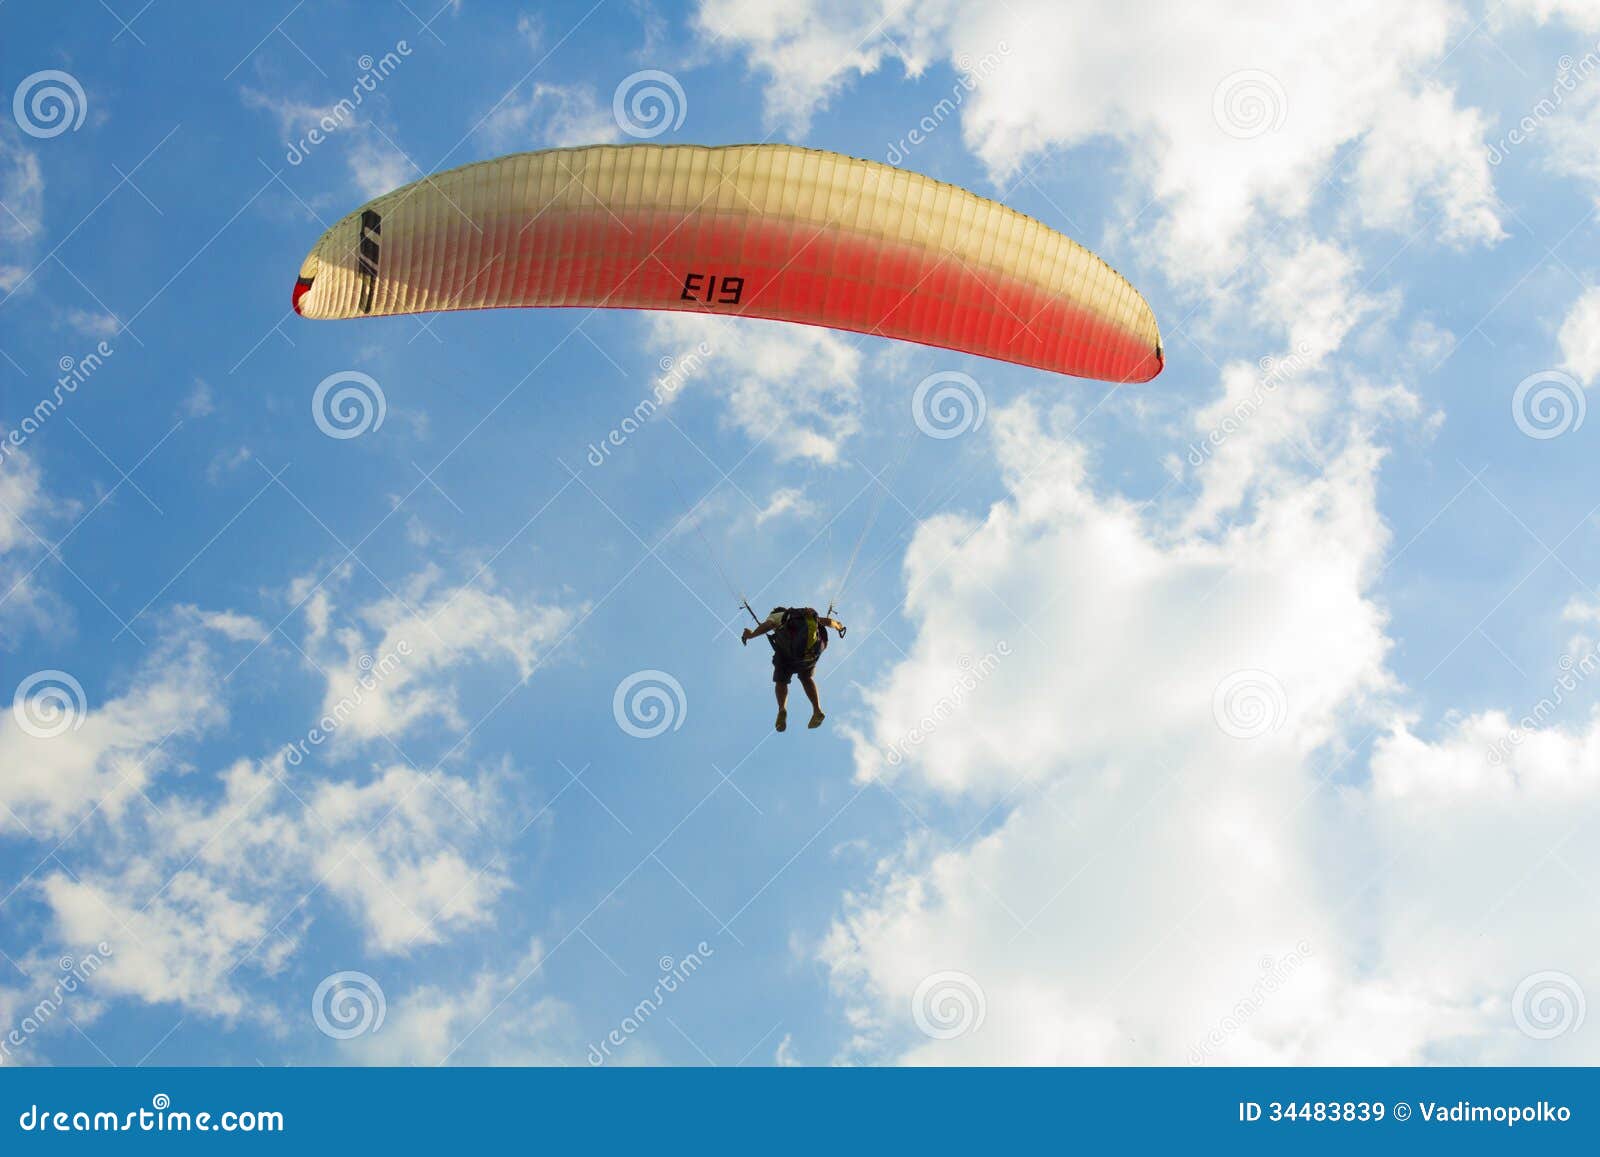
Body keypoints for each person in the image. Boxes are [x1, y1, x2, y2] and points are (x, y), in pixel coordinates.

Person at [741, 606, 846, 731]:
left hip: (788, 654)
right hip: (810, 654)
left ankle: (782, 708)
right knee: (806, 678)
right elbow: (828, 622)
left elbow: (768, 626)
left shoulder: (777, 615)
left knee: (781, 680)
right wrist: (839, 627)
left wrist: (751, 635)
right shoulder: (804, 615)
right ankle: (817, 709)